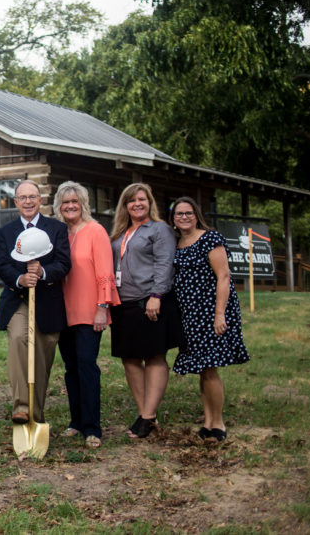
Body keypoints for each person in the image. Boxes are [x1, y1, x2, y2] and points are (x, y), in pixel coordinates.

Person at [169, 197, 249, 442]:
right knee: (203, 370)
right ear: (173, 219)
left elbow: (223, 276)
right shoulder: (177, 243)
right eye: (179, 214)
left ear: (196, 215)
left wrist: (219, 314)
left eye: (188, 213)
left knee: (210, 369)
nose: (184, 217)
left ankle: (219, 423)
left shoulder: (210, 239)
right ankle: (207, 421)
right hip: (190, 316)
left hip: (211, 312)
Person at [0, 180, 71, 428]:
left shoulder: (57, 229)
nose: (28, 202)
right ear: (16, 202)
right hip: (17, 300)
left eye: (32, 197)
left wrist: (43, 273)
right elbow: (1, 264)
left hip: (48, 303)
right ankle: (21, 408)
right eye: (23, 197)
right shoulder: (5, 232)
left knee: (40, 356)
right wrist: (20, 279)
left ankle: (36, 415)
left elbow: (64, 263)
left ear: (40, 200)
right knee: (19, 338)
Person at [109, 182, 181, 439]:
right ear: (125, 205)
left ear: (150, 202)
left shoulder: (160, 230)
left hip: (149, 302)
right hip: (123, 304)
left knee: (154, 357)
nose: (137, 204)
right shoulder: (120, 233)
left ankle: (148, 415)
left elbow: (164, 264)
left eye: (142, 199)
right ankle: (145, 414)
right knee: (129, 359)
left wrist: (156, 295)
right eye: (131, 200)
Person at [52, 181, 119, 449]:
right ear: (59, 206)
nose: (70, 206)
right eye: (65, 202)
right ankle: (76, 422)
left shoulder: (95, 231)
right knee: (71, 369)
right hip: (63, 312)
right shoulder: (58, 233)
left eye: (75, 202)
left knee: (87, 366)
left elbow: (105, 272)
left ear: (83, 204)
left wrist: (102, 307)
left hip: (90, 311)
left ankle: (92, 427)